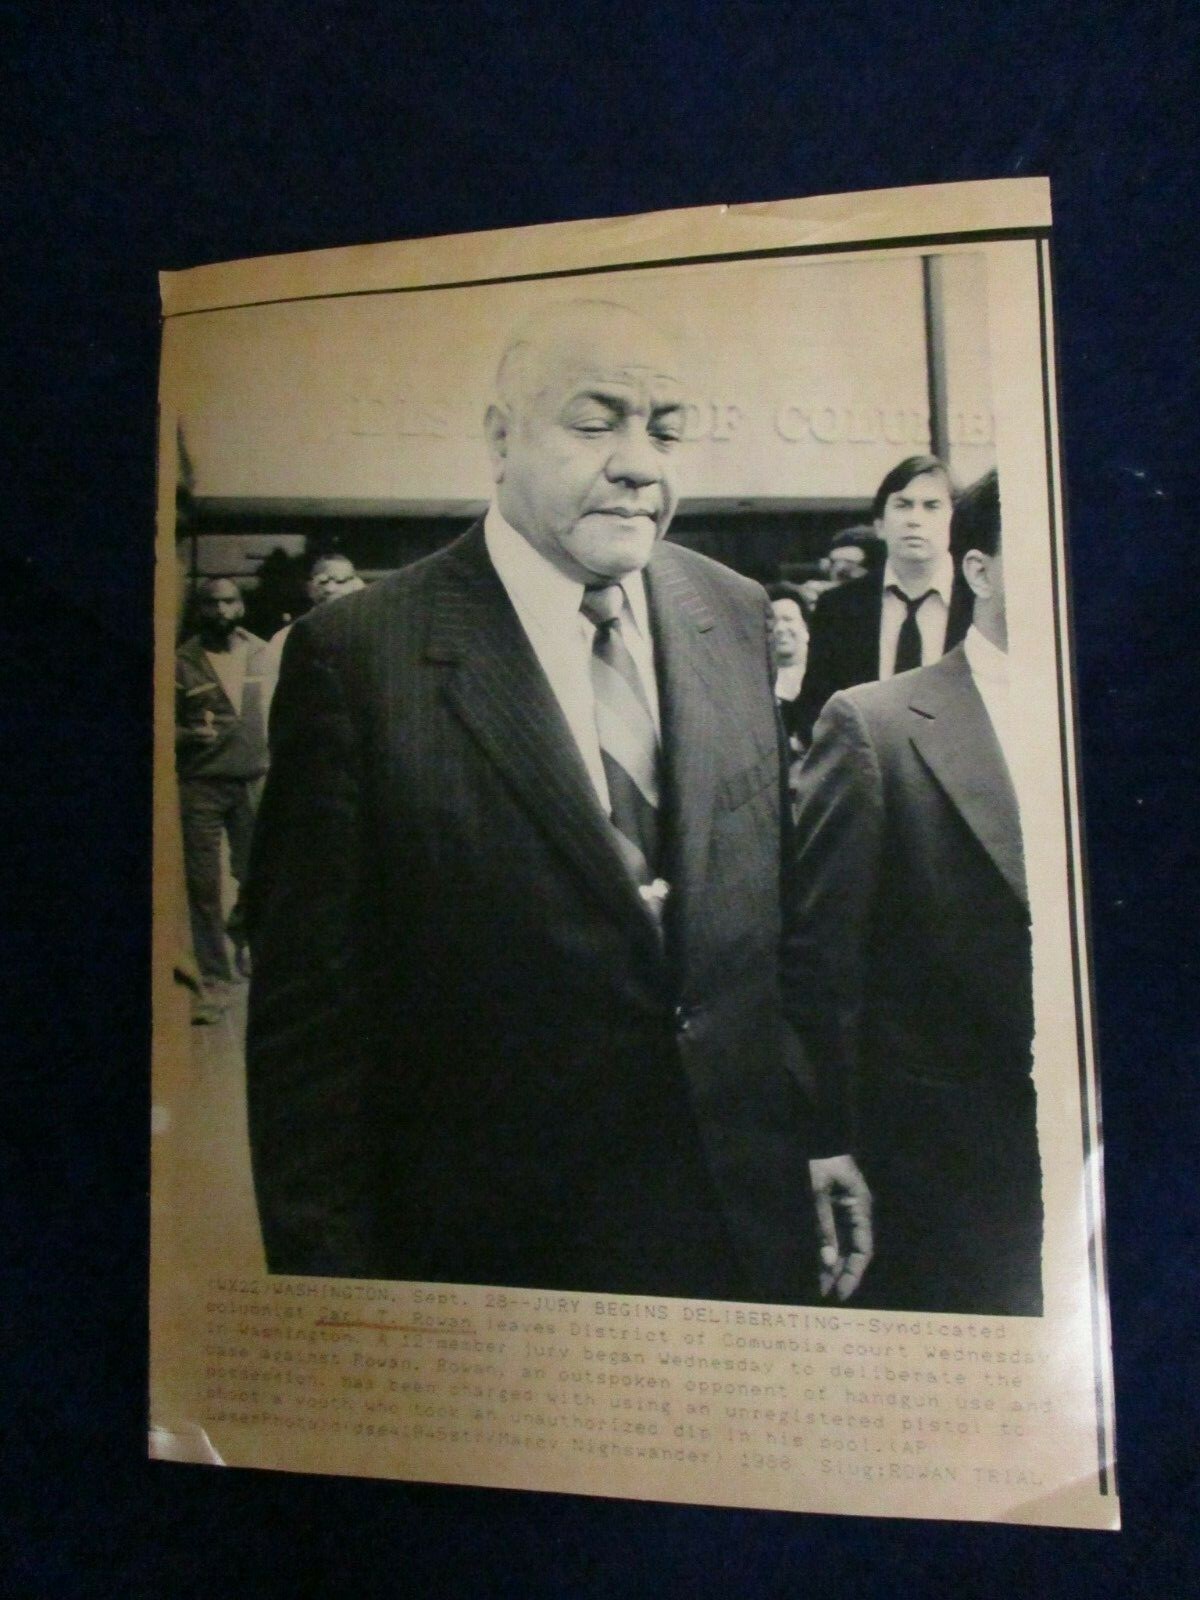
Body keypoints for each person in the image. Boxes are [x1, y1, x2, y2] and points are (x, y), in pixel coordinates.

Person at [245, 299, 864, 1302]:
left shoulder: (734, 614)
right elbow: (309, 1039)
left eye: (666, 429)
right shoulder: (359, 660)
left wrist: (819, 1128)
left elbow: (778, 927)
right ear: (499, 437)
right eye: (594, 419)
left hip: (741, 1241)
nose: (639, 462)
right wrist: (336, 1311)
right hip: (502, 1272)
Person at [787, 470, 1042, 1315]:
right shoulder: (877, 726)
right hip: (946, 1176)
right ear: (977, 571)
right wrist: (828, 1140)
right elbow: (824, 965)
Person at [794, 454, 972, 745]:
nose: (915, 519)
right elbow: (816, 710)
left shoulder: (982, 601)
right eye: (902, 505)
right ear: (879, 525)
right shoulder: (838, 608)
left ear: (955, 521)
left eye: (931, 506)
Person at [175, 577, 270, 988]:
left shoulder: (263, 654)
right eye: (211, 604)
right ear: (200, 611)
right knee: (202, 882)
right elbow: (162, 725)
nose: (221, 612)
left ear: (241, 607)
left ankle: (247, 941)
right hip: (202, 784)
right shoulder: (181, 661)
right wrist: (186, 735)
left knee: (258, 874)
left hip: (253, 779)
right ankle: (214, 971)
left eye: (229, 602)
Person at [260, 553, 365, 719]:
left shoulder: (368, 633)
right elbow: (270, 701)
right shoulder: (286, 637)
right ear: (310, 588)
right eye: (322, 581)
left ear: (357, 585)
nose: (331, 589)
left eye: (341, 581)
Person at [766, 581, 809, 752]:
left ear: (805, 626)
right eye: (773, 622)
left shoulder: (824, 678)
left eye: (788, 619)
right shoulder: (761, 683)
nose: (781, 628)